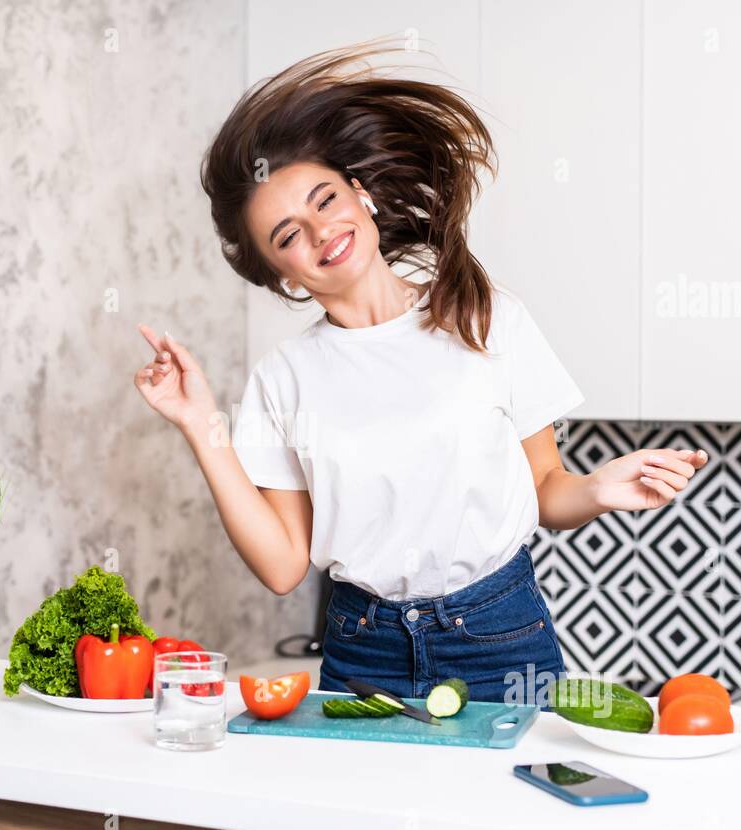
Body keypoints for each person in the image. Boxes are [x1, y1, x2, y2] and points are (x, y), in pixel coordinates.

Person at [132, 40, 707, 708]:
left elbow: (548, 490)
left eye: (325, 199)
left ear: (362, 193)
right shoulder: (283, 378)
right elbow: (285, 565)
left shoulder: (486, 318)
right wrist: (199, 424)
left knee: (510, 811)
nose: (320, 232)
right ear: (280, 275)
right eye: (287, 236)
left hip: (497, 638)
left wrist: (600, 490)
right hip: (362, 647)